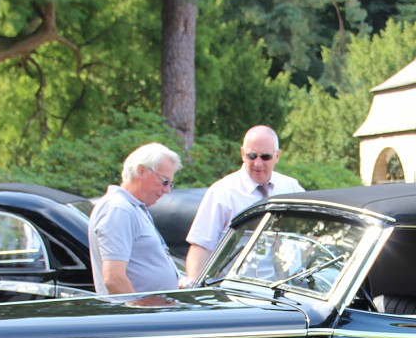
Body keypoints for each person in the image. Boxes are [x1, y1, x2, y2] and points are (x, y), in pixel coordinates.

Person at [185, 125, 304, 283]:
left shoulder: (291, 188)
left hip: (287, 290)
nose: (258, 163)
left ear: (277, 156)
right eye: (252, 156)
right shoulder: (222, 192)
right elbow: (201, 245)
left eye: (265, 157)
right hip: (236, 291)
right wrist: (193, 284)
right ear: (242, 154)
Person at [89, 143, 182, 295]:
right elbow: (113, 278)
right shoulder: (119, 209)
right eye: (164, 181)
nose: (167, 190)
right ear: (141, 171)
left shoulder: (134, 207)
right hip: (139, 315)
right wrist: (139, 313)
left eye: (170, 184)